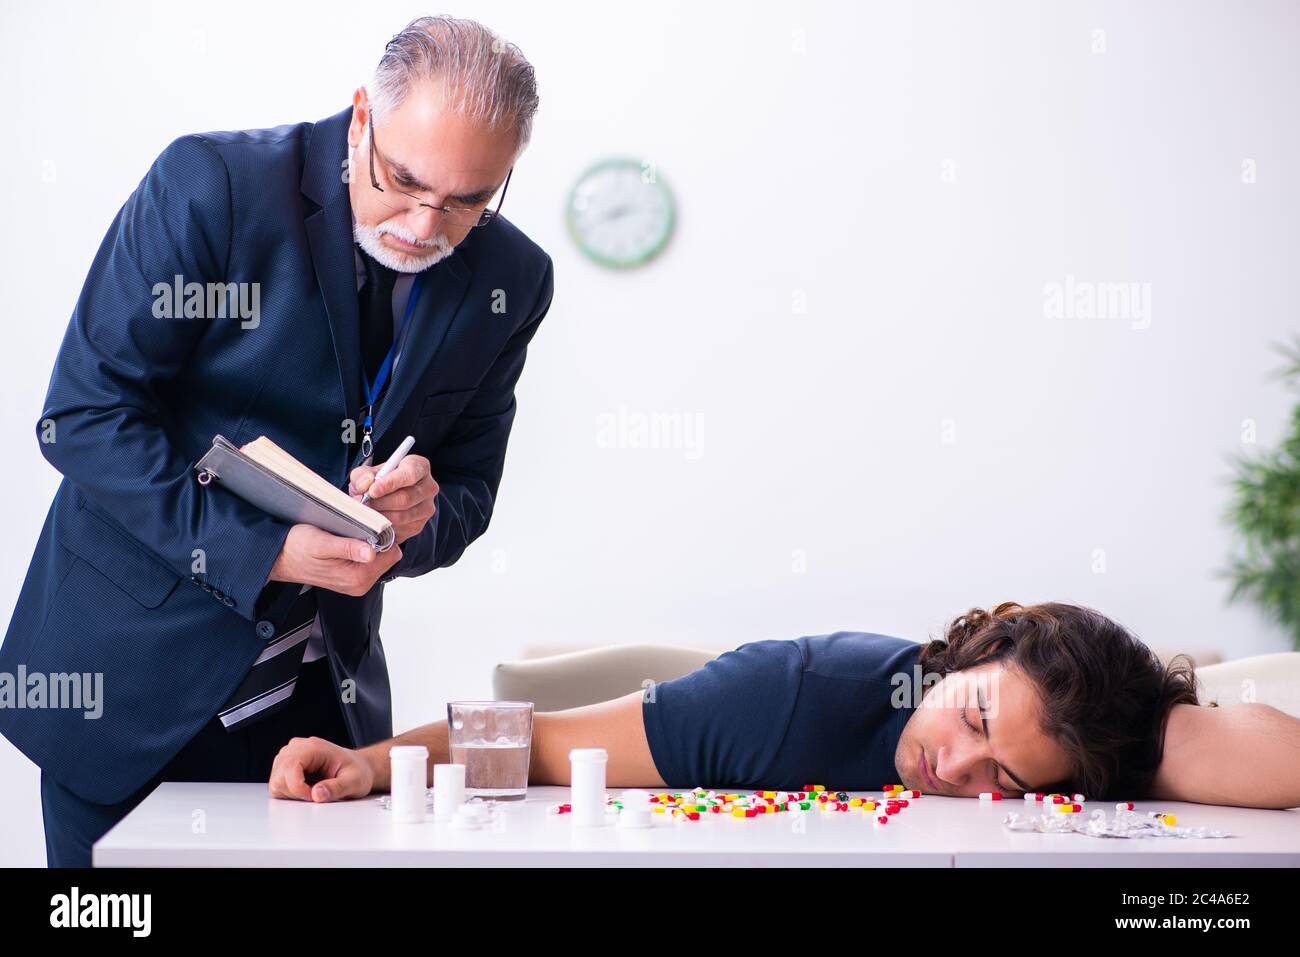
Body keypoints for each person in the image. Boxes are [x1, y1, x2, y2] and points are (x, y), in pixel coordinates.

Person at [0, 15, 553, 867]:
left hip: (322, 720)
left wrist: (414, 521)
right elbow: (82, 415)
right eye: (403, 180)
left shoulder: (515, 278)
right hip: (126, 689)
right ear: (362, 114)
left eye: (466, 201)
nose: (421, 223)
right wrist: (265, 553)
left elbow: (469, 488)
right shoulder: (212, 184)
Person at [268, 602, 1300, 809]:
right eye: (973, 719)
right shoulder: (793, 697)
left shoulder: (1080, 758)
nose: (957, 766)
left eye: (1006, 779)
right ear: (974, 654)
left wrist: (1156, 727)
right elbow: (538, 744)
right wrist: (374, 762)